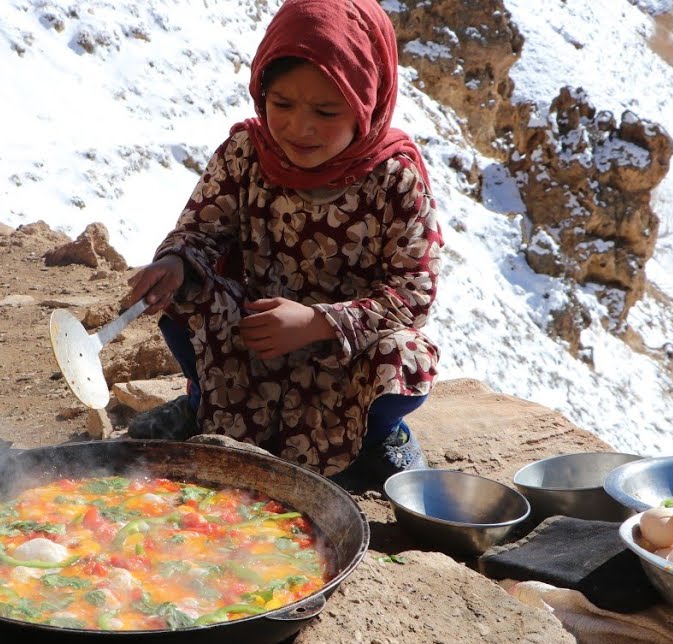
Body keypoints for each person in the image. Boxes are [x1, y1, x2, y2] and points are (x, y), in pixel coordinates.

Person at [123, 0, 442, 490]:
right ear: (261, 93)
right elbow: (201, 233)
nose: (299, 127)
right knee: (185, 291)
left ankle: (376, 439)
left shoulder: (395, 179)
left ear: (366, 103)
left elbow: (412, 294)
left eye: (326, 110)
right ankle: (201, 408)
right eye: (282, 105)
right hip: (256, 342)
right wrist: (172, 263)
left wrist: (317, 322)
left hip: (343, 359)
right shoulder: (245, 154)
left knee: (405, 356)